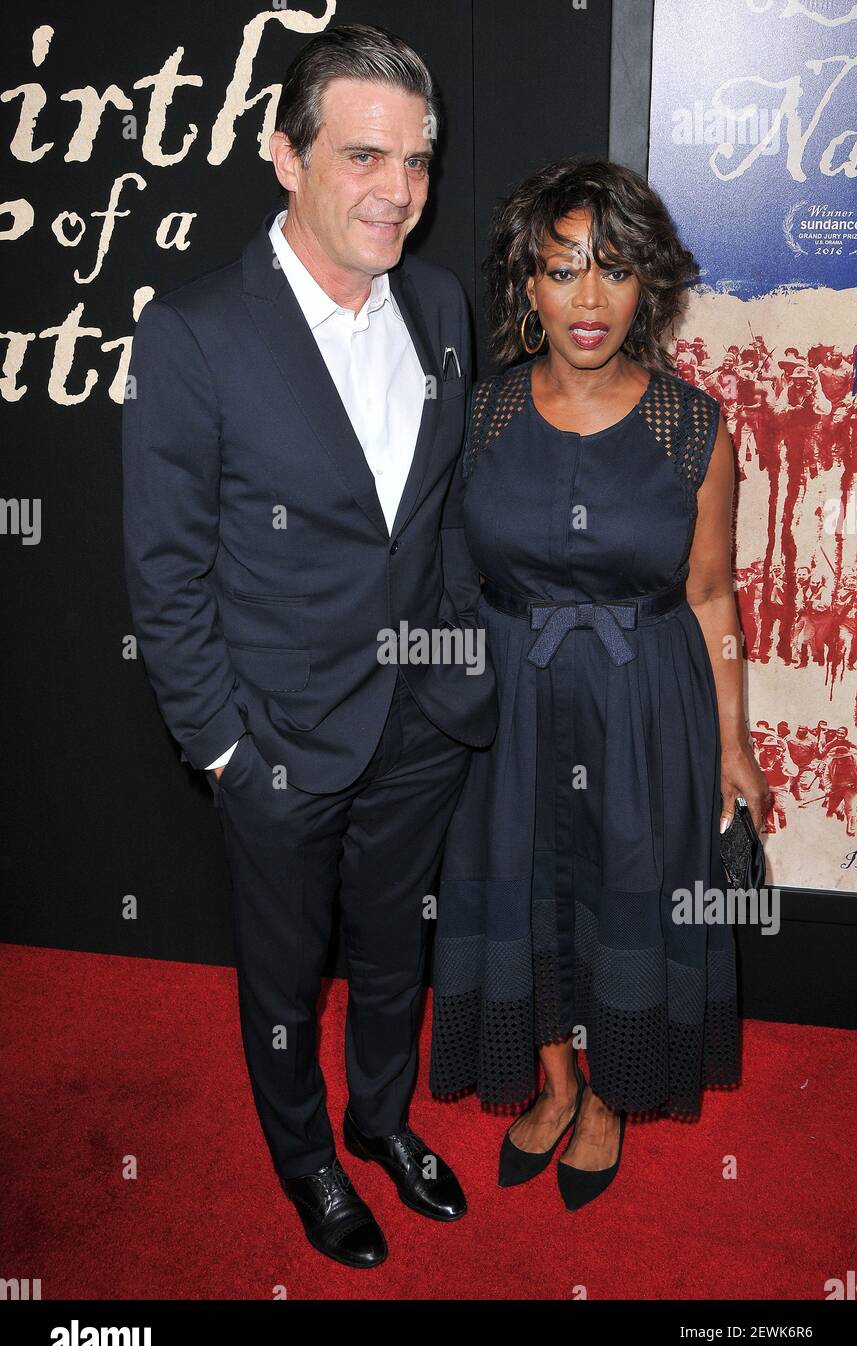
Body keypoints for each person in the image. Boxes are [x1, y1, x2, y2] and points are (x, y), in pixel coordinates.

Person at [122, 23, 497, 1269]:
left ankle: (379, 1120)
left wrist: (457, 670)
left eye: (418, 162)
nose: (397, 190)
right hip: (275, 740)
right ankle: (306, 1165)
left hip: (419, 728)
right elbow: (164, 574)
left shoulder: (441, 304)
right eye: (362, 156)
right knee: (285, 982)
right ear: (284, 157)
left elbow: (431, 517)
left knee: (397, 954)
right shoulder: (193, 333)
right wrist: (224, 748)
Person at [429, 157, 770, 1211]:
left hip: (641, 706)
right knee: (528, 894)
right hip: (514, 705)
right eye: (561, 268)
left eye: (613, 270)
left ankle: (608, 1099)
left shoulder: (691, 426)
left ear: (647, 288)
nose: (586, 298)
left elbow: (711, 596)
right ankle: (557, 1081)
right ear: (525, 283)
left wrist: (732, 744)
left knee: (619, 893)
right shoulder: (478, 416)